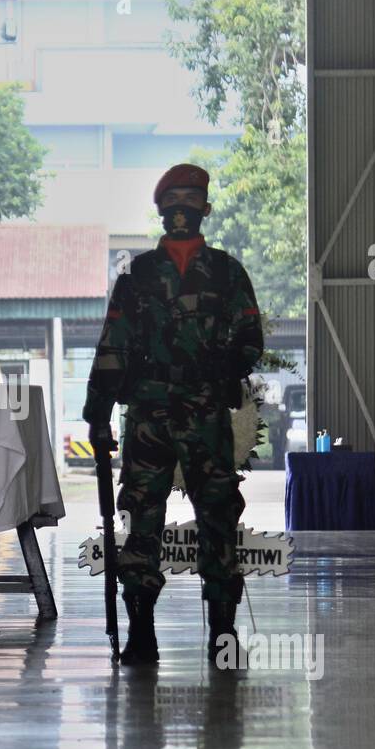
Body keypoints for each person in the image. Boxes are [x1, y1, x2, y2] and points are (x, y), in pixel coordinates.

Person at [82, 163, 263, 668]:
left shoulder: (158, 275)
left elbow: (113, 351)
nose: (182, 213)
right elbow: (115, 346)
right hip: (174, 414)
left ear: (191, 211)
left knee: (187, 517)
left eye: (185, 205)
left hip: (167, 414)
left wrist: (98, 413)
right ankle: (171, 633)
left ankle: (189, 633)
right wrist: (98, 413)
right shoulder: (208, 272)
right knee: (184, 518)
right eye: (178, 205)